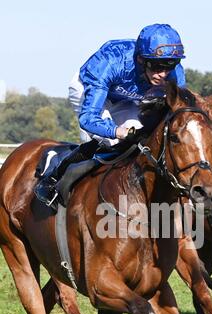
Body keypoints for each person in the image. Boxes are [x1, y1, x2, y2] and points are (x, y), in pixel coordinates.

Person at [35, 23, 186, 205]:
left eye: (170, 65)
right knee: (111, 141)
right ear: (140, 59)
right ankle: (54, 171)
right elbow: (89, 118)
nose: (163, 74)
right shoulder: (111, 62)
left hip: (125, 98)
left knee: (142, 140)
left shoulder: (174, 74)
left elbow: (178, 115)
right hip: (88, 91)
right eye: (157, 66)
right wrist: (117, 131)